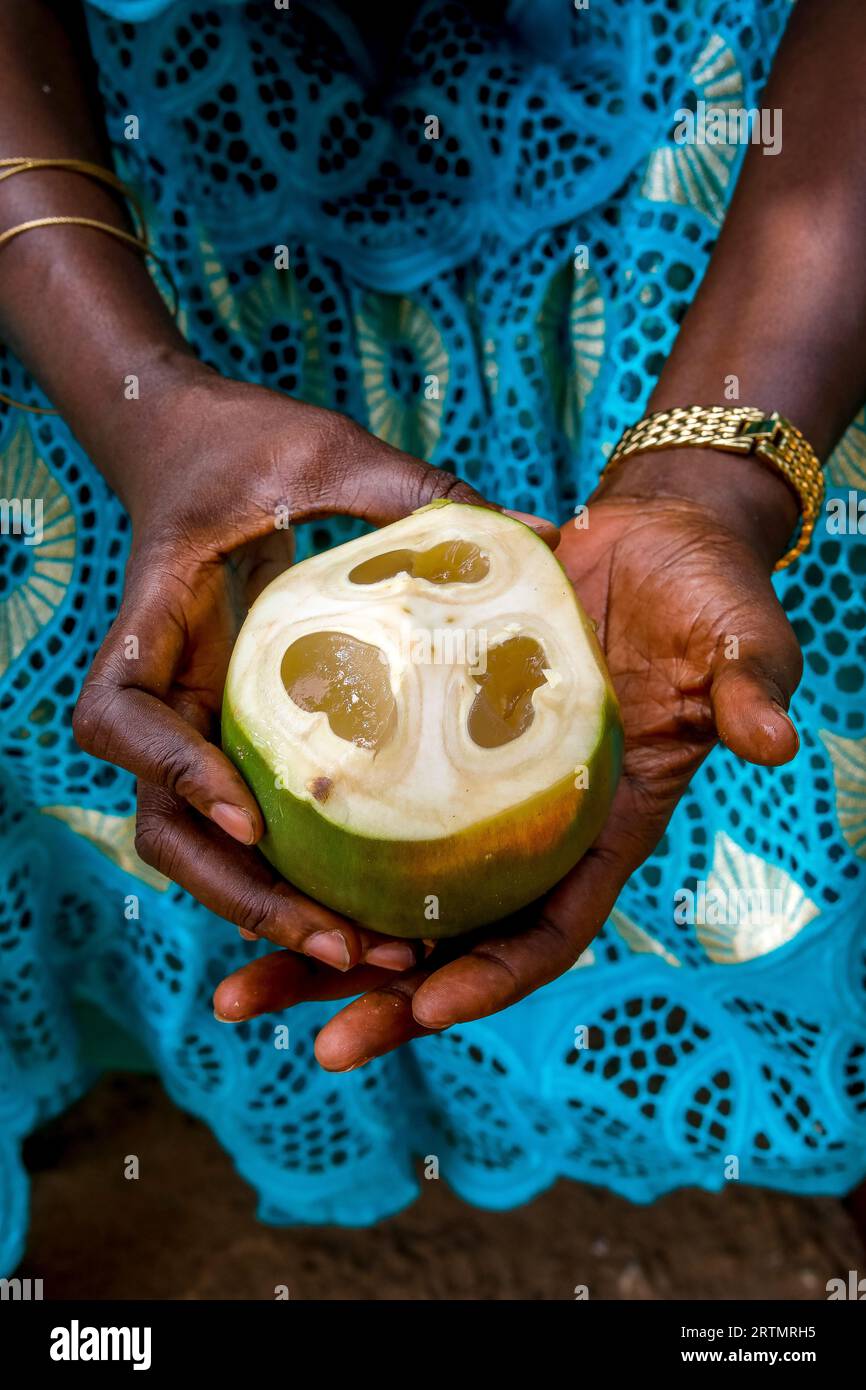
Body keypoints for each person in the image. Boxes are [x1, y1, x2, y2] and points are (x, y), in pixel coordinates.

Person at [1, 0, 864, 1269]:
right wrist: (138, 397)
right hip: (120, 163)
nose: (416, 618)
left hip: (723, 151)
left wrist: (713, 482)